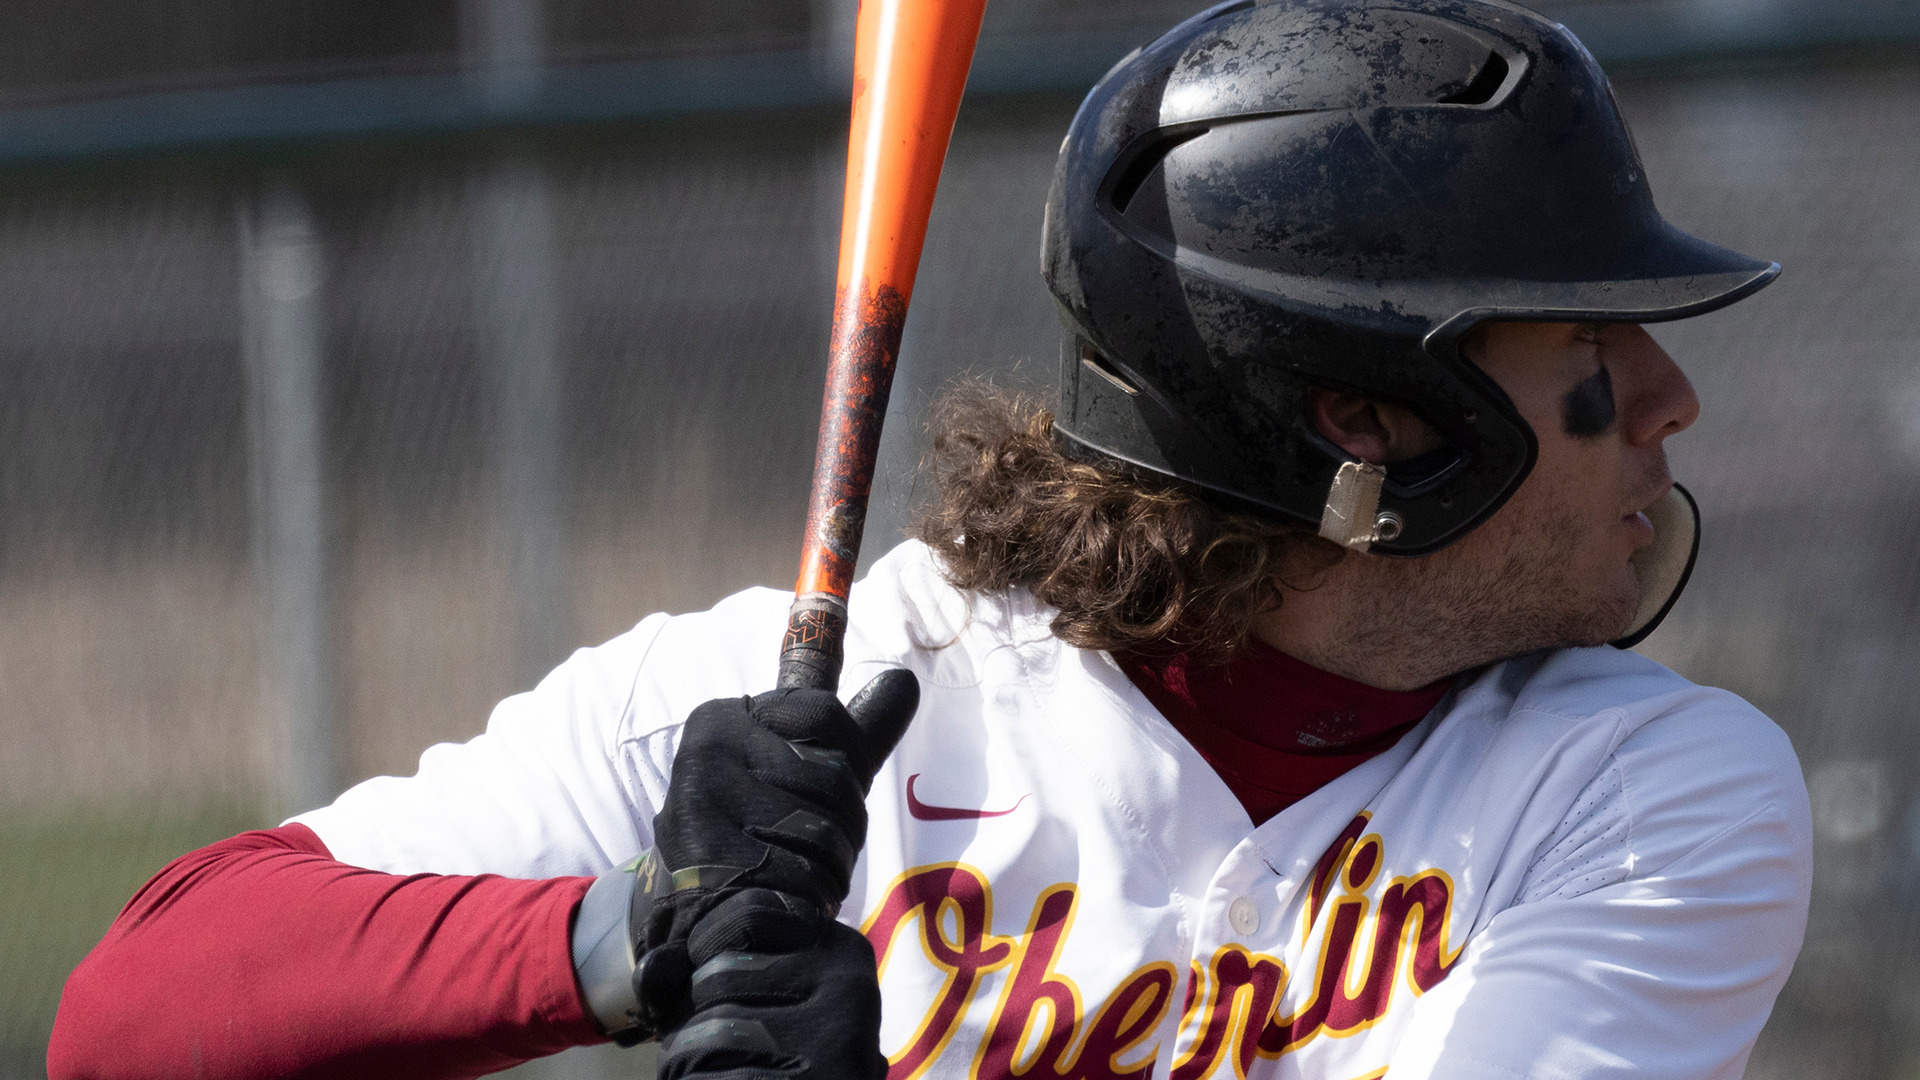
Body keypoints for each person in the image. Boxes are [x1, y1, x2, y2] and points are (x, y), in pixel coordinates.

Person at [48, 1, 1812, 1078]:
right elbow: (133, 1017)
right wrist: (627, 938)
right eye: (1589, 354)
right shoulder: (862, 699)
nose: (1669, 398)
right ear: (1370, 422)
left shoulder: (1651, 791)